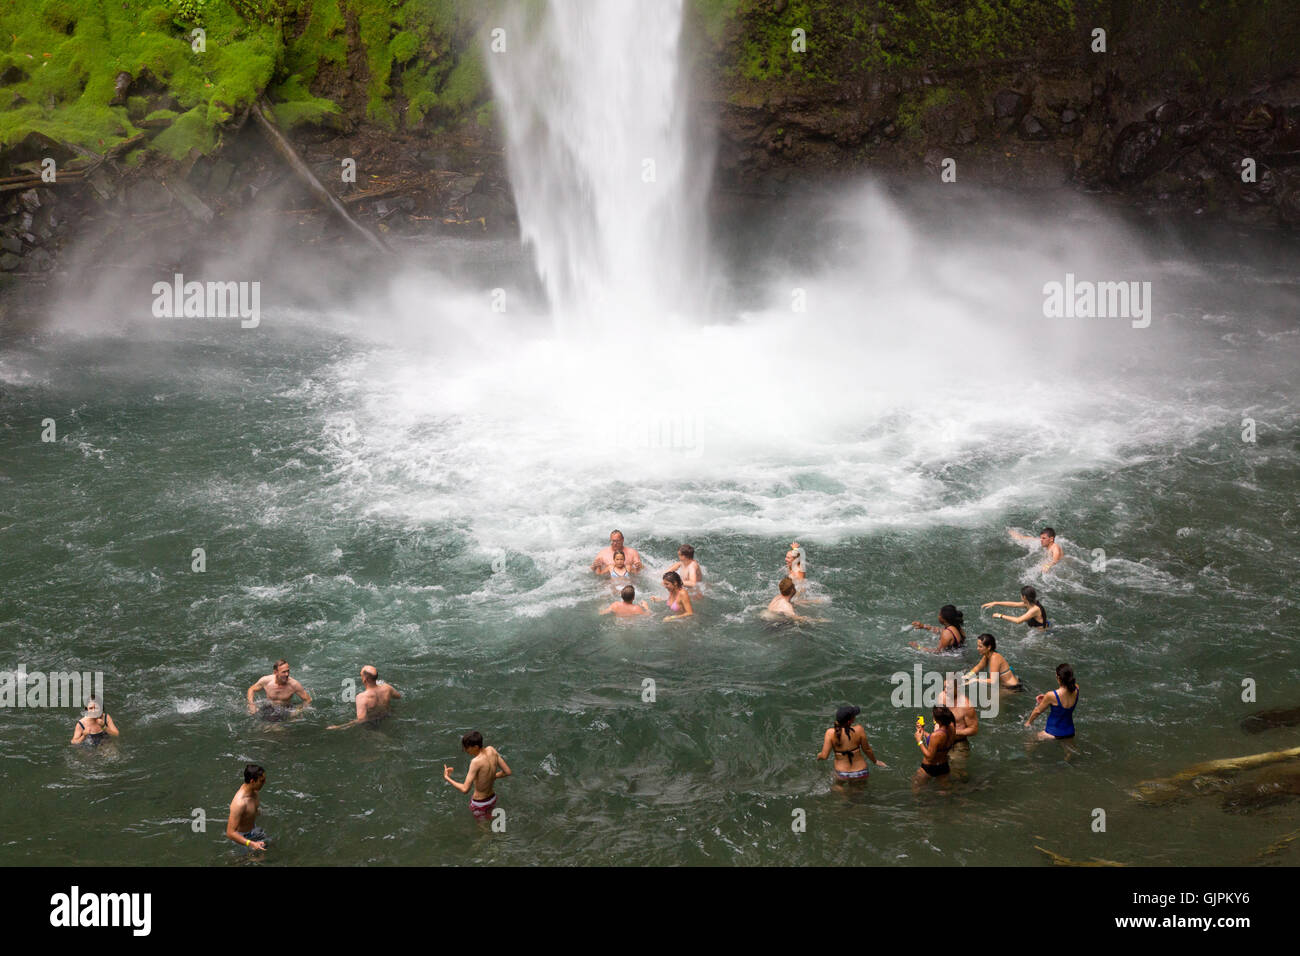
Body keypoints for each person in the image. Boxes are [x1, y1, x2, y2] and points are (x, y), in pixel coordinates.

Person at [443, 731, 511, 820]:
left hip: (480, 803)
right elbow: (507, 772)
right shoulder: (491, 750)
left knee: (484, 830)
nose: (465, 750)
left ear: (475, 747)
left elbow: (465, 789)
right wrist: (491, 777)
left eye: (467, 748)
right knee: (492, 821)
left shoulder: (476, 762)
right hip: (492, 798)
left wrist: (447, 777)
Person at [816, 705, 886, 779]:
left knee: (838, 788)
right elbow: (867, 750)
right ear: (850, 721)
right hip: (861, 771)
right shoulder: (859, 729)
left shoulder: (830, 733)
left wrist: (819, 756)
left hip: (842, 773)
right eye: (854, 716)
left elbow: (824, 756)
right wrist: (875, 761)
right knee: (860, 790)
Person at [327, 665, 402, 730]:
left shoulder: (362, 698)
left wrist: (338, 727)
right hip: (387, 715)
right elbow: (399, 697)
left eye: (361, 675)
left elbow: (361, 720)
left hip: (372, 724)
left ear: (365, 679)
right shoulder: (387, 687)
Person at [1025, 664, 1079, 740]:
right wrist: (1046, 698)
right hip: (1070, 732)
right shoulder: (1076, 688)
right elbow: (1065, 696)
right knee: (1069, 750)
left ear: (1058, 678)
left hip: (1053, 733)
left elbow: (1037, 711)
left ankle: (1026, 752)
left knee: (1030, 739)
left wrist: (1028, 723)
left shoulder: (1051, 695)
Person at [247, 659, 312, 718]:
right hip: (269, 708)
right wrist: (251, 704)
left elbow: (308, 699)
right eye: (283, 672)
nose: (287, 674)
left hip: (286, 710)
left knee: (276, 729)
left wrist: (298, 711)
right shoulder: (266, 681)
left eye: (288, 671)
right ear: (275, 672)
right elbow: (251, 689)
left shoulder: (294, 685)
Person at [225, 764, 268, 850]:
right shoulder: (239, 803)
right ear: (252, 781)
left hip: (254, 830)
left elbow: (252, 810)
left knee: (270, 846)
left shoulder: (254, 791)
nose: (264, 783)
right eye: (262, 781)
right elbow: (230, 833)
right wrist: (251, 844)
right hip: (242, 839)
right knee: (253, 860)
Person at [914, 706, 957, 783]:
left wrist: (919, 741)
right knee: (945, 791)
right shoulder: (952, 727)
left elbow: (929, 757)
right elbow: (937, 742)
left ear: (937, 720)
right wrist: (922, 731)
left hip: (929, 767)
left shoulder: (936, 735)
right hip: (944, 766)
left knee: (916, 789)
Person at [983, 585, 1048, 629]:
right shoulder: (1030, 603)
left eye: (1021, 595)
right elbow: (1014, 604)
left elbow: (1018, 620)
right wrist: (996, 603)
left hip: (1040, 632)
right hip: (1036, 624)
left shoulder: (1034, 609)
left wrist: (1000, 615)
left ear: (1024, 597)